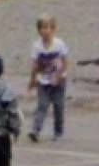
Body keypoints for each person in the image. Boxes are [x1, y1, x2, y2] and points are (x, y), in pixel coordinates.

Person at [27, 14, 69, 142]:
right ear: (39, 30)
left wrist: (59, 76)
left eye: (48, 28)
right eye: (42, 28)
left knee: (58, 106)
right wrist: (33, 79)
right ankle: (35, 129)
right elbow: (35, 65)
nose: (45, 31)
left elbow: (66, 62)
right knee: (42, 105)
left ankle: (58, 132)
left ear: (53, 29)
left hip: (58, 80)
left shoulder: (59, 44)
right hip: (43, 80)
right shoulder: (37, 46)